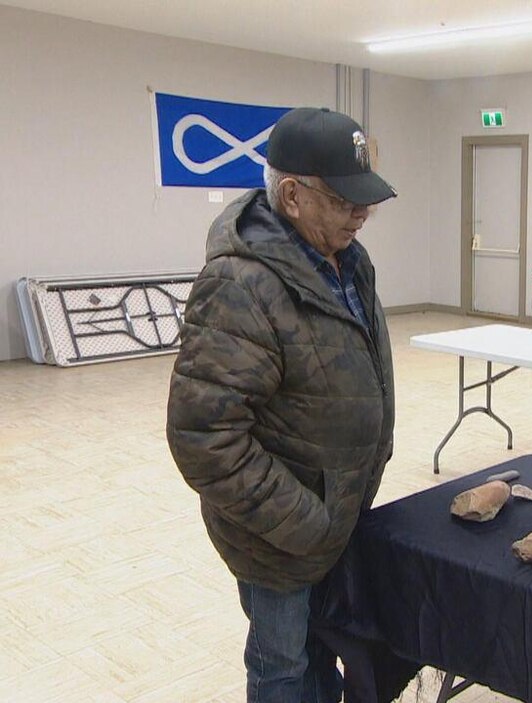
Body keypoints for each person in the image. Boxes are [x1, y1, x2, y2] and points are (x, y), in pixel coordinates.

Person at [167, 107, 398, 702]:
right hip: (279, 537)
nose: (361, 213)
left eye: (365, 200)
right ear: (292, 196)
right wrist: (305, 521)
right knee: (283, 665)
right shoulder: (239, 285)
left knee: (323, 649)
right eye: (344, 200)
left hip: (335, 515)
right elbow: (204, 438)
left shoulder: (349, 262)